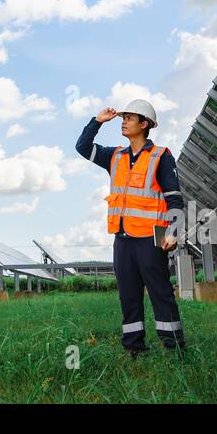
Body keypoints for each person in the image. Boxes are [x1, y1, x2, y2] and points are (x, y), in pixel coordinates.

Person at [76, 98, 186, 355]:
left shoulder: (161, 156)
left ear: (144, 124)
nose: (123, 122)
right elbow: (82, 147)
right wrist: (97, 121)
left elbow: (174, 198)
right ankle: (134, 348)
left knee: (160, 293)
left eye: (129, 118)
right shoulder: (115, 156)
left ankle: (174, 348)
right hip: (122, 238)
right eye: (123, 118)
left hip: (152, 237)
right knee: (128, 295)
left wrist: (173, 232)